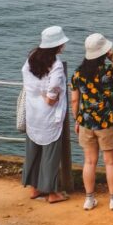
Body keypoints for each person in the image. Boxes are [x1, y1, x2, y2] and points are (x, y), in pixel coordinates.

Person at [70, 33, 113, 211]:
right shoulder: (108, 73)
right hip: (108, 122)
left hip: (86, 123)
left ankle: (89, 199)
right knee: (110, 162)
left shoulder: (77, 74)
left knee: (89, 161)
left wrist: (77, 120)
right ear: (104, 53)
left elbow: (75, 101)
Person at [21, 25, 70, 203]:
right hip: (49, 116)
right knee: (50, 154)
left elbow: (28, 83)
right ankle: (51, 193)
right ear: (57, 46)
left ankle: (34, 189)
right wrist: (45, 94)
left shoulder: (31, 60)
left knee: (33, 151)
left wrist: (37, 93)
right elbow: (51, 99)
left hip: (33, 112)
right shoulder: (56, 66)